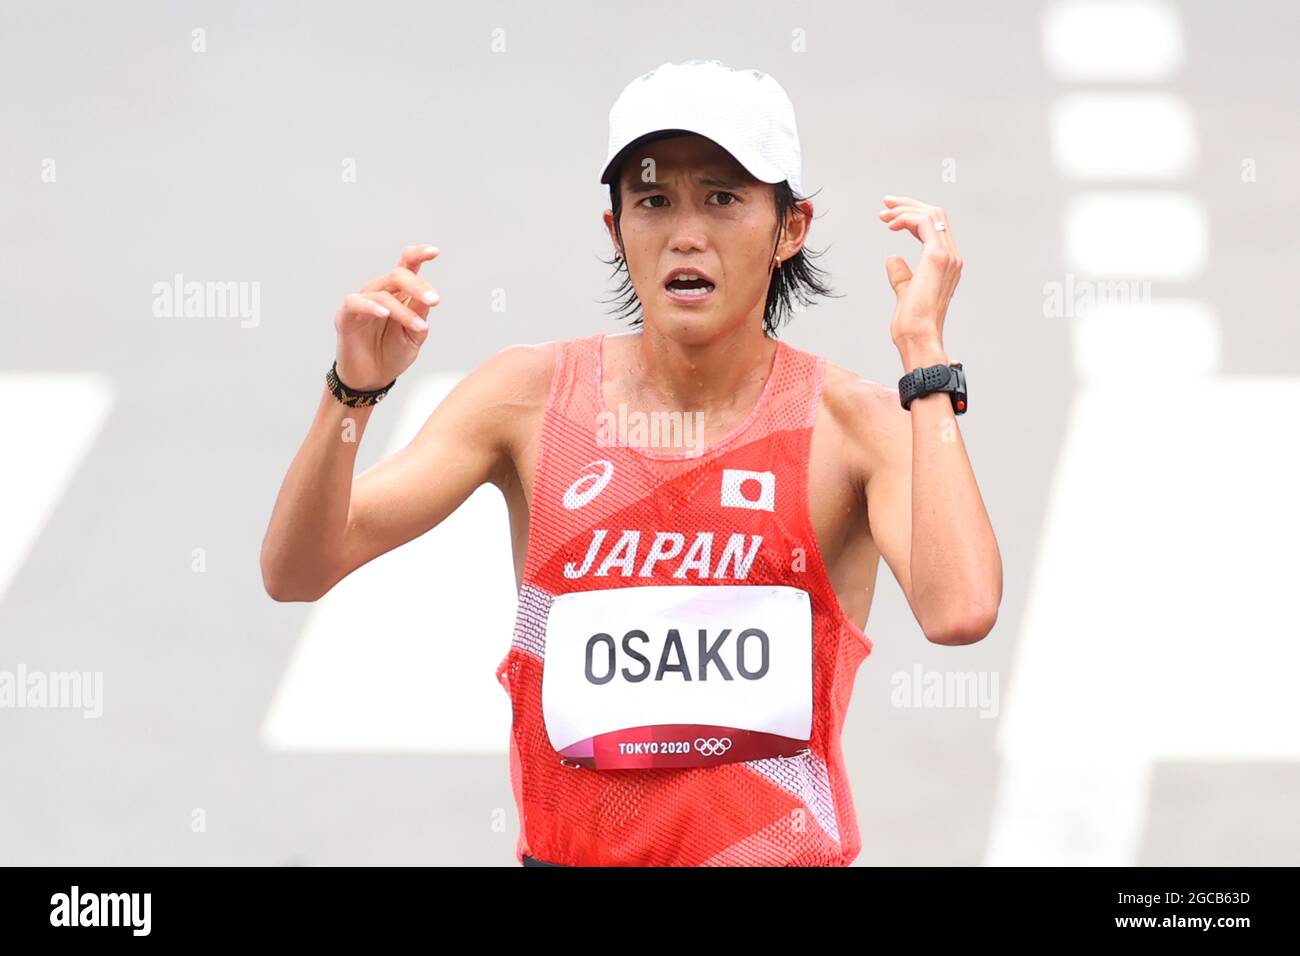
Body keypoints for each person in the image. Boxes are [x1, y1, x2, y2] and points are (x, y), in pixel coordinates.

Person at [260, 59, 1002, 867]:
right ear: (616, 231)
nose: (687, 232)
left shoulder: (850, 425)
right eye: (653, 200)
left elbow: (959, 609)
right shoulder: (528, 397)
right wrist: (352, 392)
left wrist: (924, 355)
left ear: (790, 228)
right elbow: (299, 568)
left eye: (723, 197)